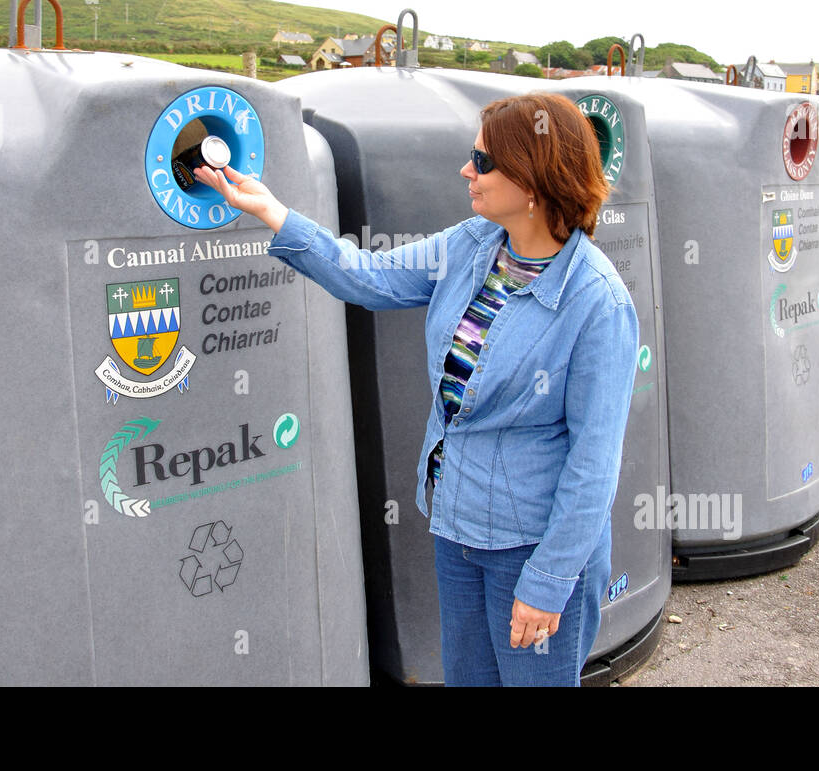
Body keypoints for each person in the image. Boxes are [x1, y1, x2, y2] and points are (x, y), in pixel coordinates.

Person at [195, 92, 638, 687]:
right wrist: (276, 213)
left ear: (532, 180)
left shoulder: (597, 303)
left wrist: (549, 582)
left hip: (531, 548)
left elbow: (594, 465)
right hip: (455, 525)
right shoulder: (473, 244)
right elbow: (368, 276)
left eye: (482, 162)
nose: (465, 171)